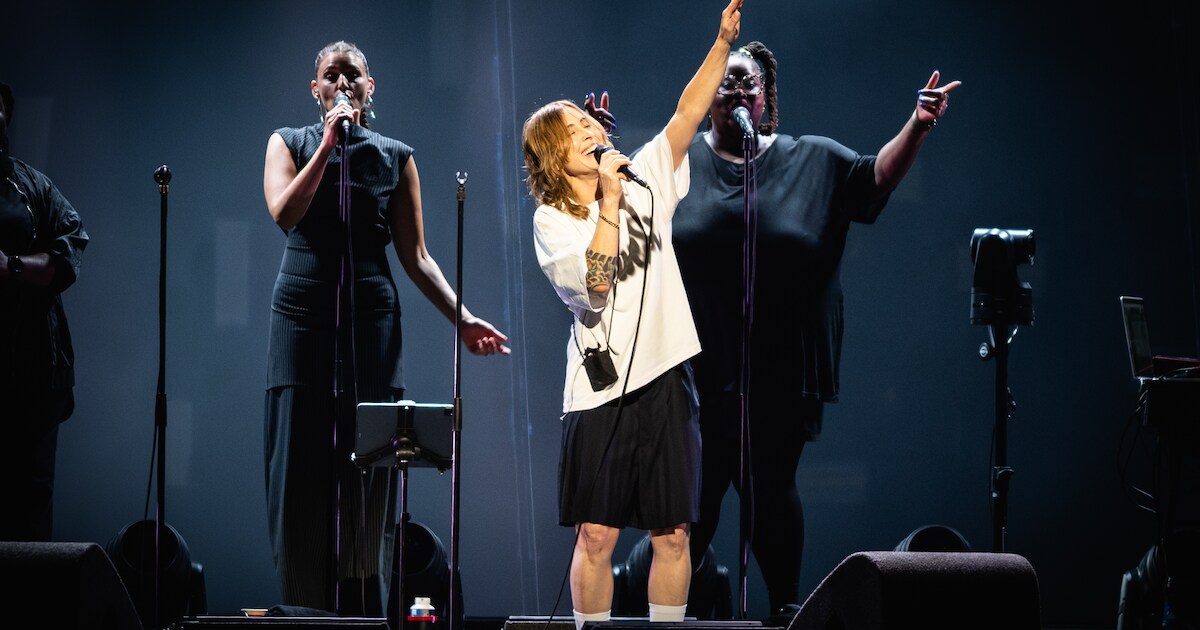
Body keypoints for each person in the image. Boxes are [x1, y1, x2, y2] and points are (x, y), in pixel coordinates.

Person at [669, 41, 962, 617]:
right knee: (692, 501)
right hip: (693, 367)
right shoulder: (675, 162)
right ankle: (665, 616)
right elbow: (620, 197)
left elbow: (874, 178)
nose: (736, 90)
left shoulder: (811, 159)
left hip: (779, 367)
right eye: (724, 81)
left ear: (765, 98)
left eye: (748, 82)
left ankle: (785, 614)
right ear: (705, 96)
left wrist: (917, 125)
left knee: (769, 490)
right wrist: (598, 151)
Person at [262, 41, 509, 616]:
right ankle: (304, 610)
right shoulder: (288, 142)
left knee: (369, 468)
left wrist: (464, 319)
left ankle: (362, 607)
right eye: (331, 75)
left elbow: (416, 256)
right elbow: (284, 213)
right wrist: (328, 144)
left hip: (370, 324)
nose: (342, 83)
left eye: (353, 75)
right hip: (300, 321)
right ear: (316, 89)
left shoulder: (395, 157)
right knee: (299, 473)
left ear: (370, 87)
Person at [522, 2, 744, 628]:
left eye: (589, 123)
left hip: (668, 377)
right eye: (574, 130)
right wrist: (610, 202)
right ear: (552, 155)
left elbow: (686, 115)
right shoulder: (553, 222)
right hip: (601, 391)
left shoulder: (643, 177)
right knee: (597, 534)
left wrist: (722, 43)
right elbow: (595, 287)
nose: (590, 131)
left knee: (673, 533)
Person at [0, 81, 89, 542]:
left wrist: (10, 266)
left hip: (33, 372)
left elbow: (70, 253)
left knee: (29, 505)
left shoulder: (31, 185)